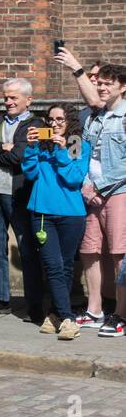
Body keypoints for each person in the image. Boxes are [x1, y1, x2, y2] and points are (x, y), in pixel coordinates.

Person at [0, 78, 45, 321]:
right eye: (6, 98)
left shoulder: (35, 124)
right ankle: (1, 298)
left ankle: (34, 303)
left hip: (19, 195)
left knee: (27, 250)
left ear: (28, 100)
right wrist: (2, 146)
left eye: (13, 97)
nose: (8, 102)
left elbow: (20, 158)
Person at [23, 105, 91, 340]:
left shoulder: (74, 142)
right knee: (52, 265)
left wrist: (62, 151)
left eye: (60, 119)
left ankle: (54, 314)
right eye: (50, 120)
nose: (54, 124)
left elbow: (73, 178)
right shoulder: (41, 145)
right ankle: (69, 318)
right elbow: (30, 174)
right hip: (42, 213)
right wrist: (31, 148)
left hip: (71, 213)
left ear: (69, 121)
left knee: (65, 267)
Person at [75, 63, 126, 336]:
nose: (102, 88)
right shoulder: (96, 117)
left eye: (109, 84)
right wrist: (86, 185)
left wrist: (100, 185)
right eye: (100, 84)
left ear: (123, 86)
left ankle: (121, 313)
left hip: (118, 192)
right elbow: (87, 154)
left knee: (120, 254)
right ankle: (95, 308)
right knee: (89, 251)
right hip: (91, 193)